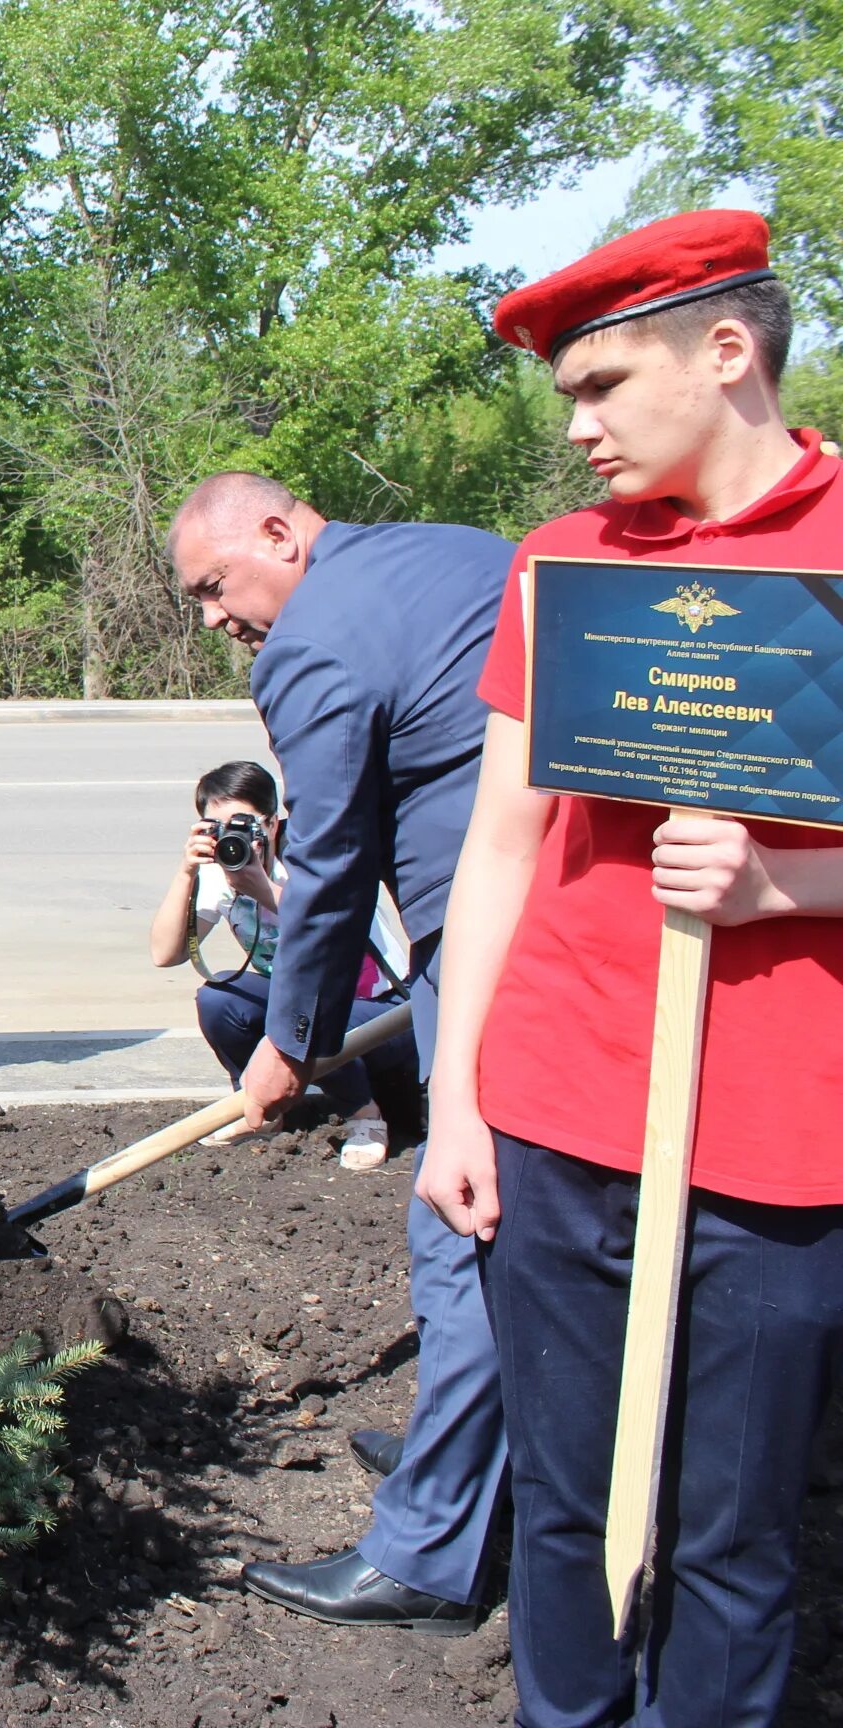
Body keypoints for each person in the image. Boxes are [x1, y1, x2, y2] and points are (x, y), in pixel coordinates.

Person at [418, 210, 843, 1725]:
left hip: (786, 1145)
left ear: (727, 352)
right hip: (560, 1109)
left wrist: (786, 882)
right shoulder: (566, 566)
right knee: (566, 1506)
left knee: (729, 1538)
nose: (580, 426)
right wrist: (458, 1104)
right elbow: (500, 851)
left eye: (603, 384)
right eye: (569, 399)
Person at [168, 471, 508, 1633]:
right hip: (567, 922)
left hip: (494, 940)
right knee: (521, 1227)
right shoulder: (455, 548)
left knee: (461, 1219)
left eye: (216, 587)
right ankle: (454, 1465)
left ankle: (429, 1555)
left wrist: (290, 1044)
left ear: (279, 531)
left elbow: (328, 868)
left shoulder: (309, 645)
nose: (216, 618)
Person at [147, 760, 416, 1167]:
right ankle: (255, 1107)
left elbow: (332, 935)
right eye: (216, 828)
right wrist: (187, 872)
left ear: (272, 823)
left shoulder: (314, 861)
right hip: (305, 1008)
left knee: (303, 1011)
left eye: (243, 824)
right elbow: (165, 954)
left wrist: (262, 888)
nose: (231, 838)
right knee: (220, 998)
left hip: (384, 1015)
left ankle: (365, 1115)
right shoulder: (221, 874)